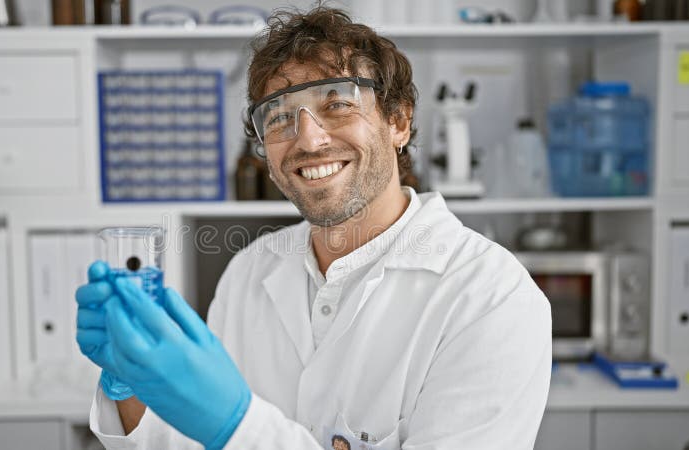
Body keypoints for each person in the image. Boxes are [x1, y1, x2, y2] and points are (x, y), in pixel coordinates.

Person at [75, 5, 551, 450]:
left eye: (338, 105)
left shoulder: (491, 298)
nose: (307, 138)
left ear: (398, 121)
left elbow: (228, 430)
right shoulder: (249, 271)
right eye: (279, 117)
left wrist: (236, 422)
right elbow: (191, 440)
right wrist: (133, 385)